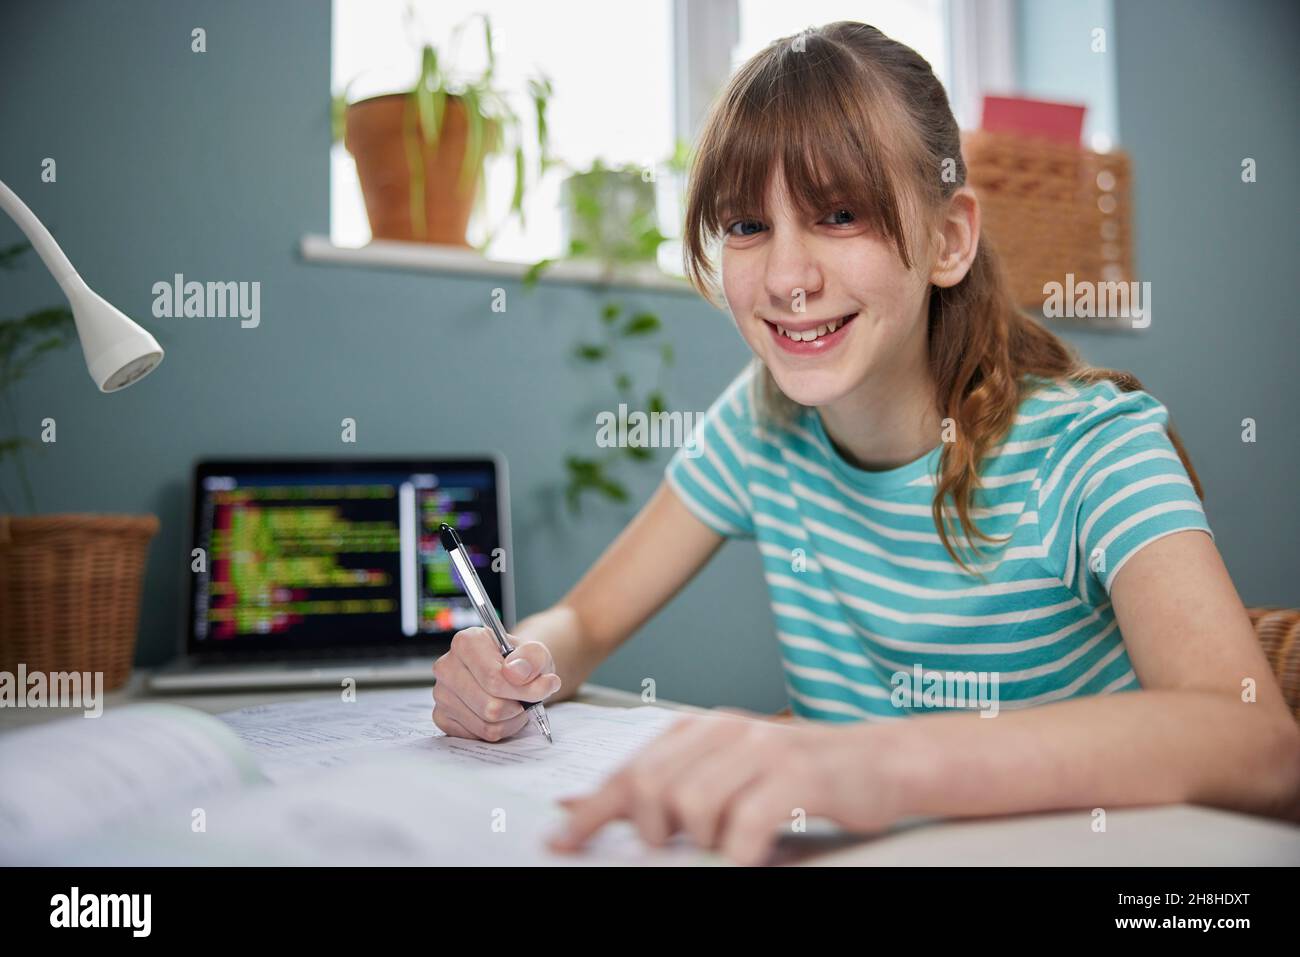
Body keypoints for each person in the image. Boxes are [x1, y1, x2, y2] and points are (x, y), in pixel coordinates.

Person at [430, 21, 1300, 866]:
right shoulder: (758, 425)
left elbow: (1259, 739)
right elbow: (585, 620)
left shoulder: (1093, 449)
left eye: (840, 214)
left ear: (949, 238)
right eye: (745, 224)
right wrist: (518, 661)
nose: (786, 277)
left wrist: (879, 761)